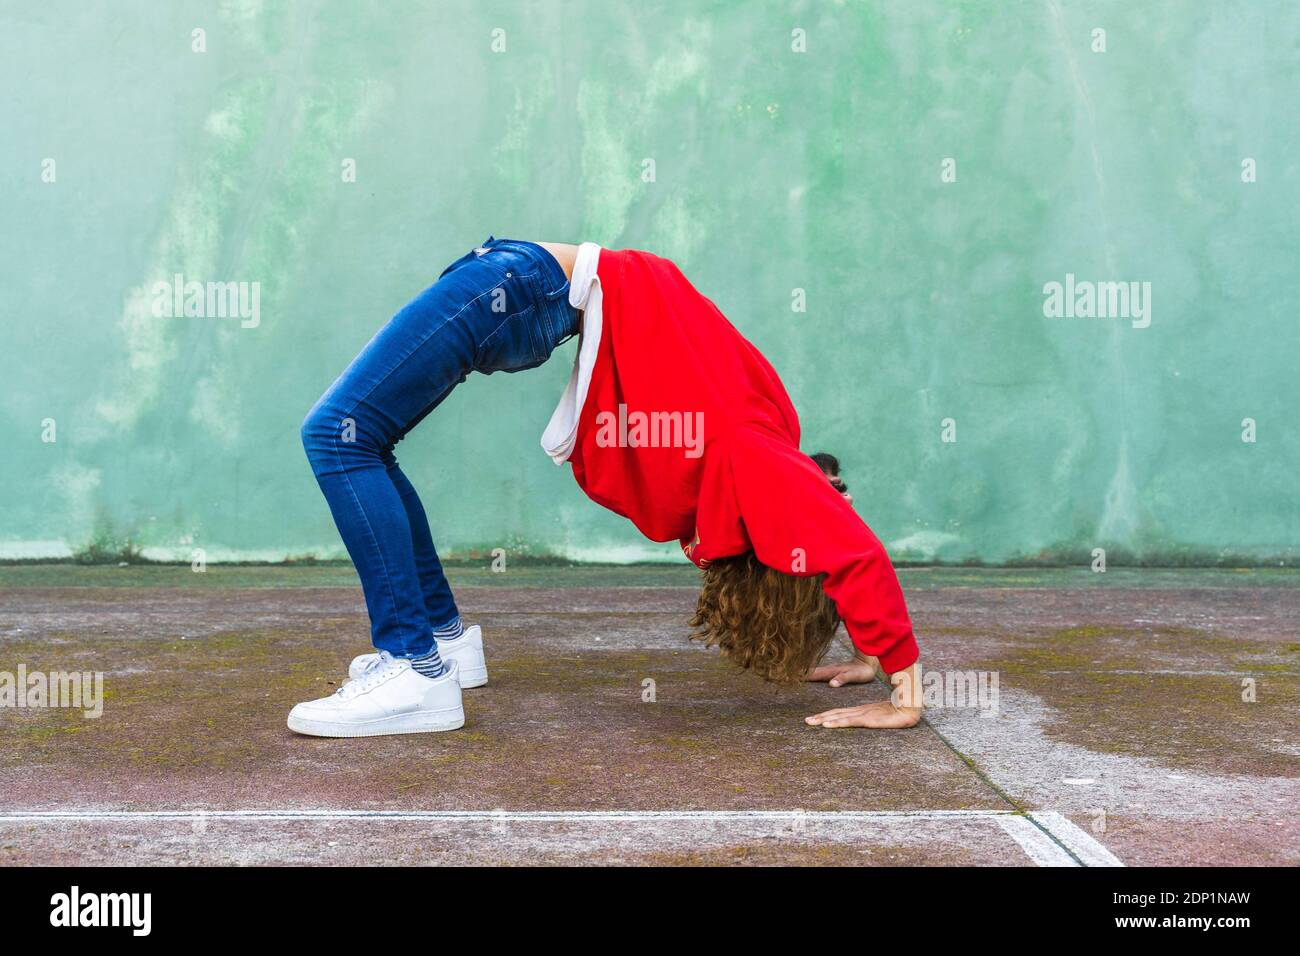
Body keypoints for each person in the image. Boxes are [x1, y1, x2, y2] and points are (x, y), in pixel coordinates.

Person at [289, 237, 922, 737]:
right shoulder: (760, 452)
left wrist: (905, 692)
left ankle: (413, 668)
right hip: (529, 286)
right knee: (362, 441)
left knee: (338, 438)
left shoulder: (755, 447)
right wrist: (872, 658)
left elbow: (853, 551)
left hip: (519, 286)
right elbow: (836, 545)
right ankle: (446, 646)